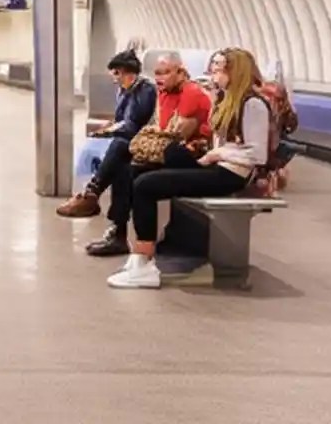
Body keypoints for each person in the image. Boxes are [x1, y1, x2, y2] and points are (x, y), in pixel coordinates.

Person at [106, 47, 270, 289]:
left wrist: (216, 154)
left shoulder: (253, 104)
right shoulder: (226, 99)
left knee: (146, 185)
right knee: (138, 171)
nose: (213, 75)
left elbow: (257, 154)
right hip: (219, 164)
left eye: (219, 69)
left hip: (231, 174)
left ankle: (143, 260)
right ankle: (143, 253)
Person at [74, 52, 213, 257]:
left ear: (180, 72)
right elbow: (161, 129)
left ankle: (97, 200)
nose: (159, 78)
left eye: (165, 73)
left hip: (190, 155)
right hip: (172, 151)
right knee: (123, 166)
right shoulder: (163, 94)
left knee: (125, 154)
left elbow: (175, 135)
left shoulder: (191, 93)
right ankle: (115, 229)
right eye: (157, 73)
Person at [58, 51, 157, 218]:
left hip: (143, 139)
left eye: (117, 73)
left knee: (119, 149)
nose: (114, 78)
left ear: (128, 72)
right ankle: (111, 223)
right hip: (128, 140)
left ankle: (92, 194)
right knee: (119, 164)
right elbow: (122, 120)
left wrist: (112, 130)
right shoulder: (123, 91)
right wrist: (109, 128)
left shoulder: (145, 90)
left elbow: (134, 124)